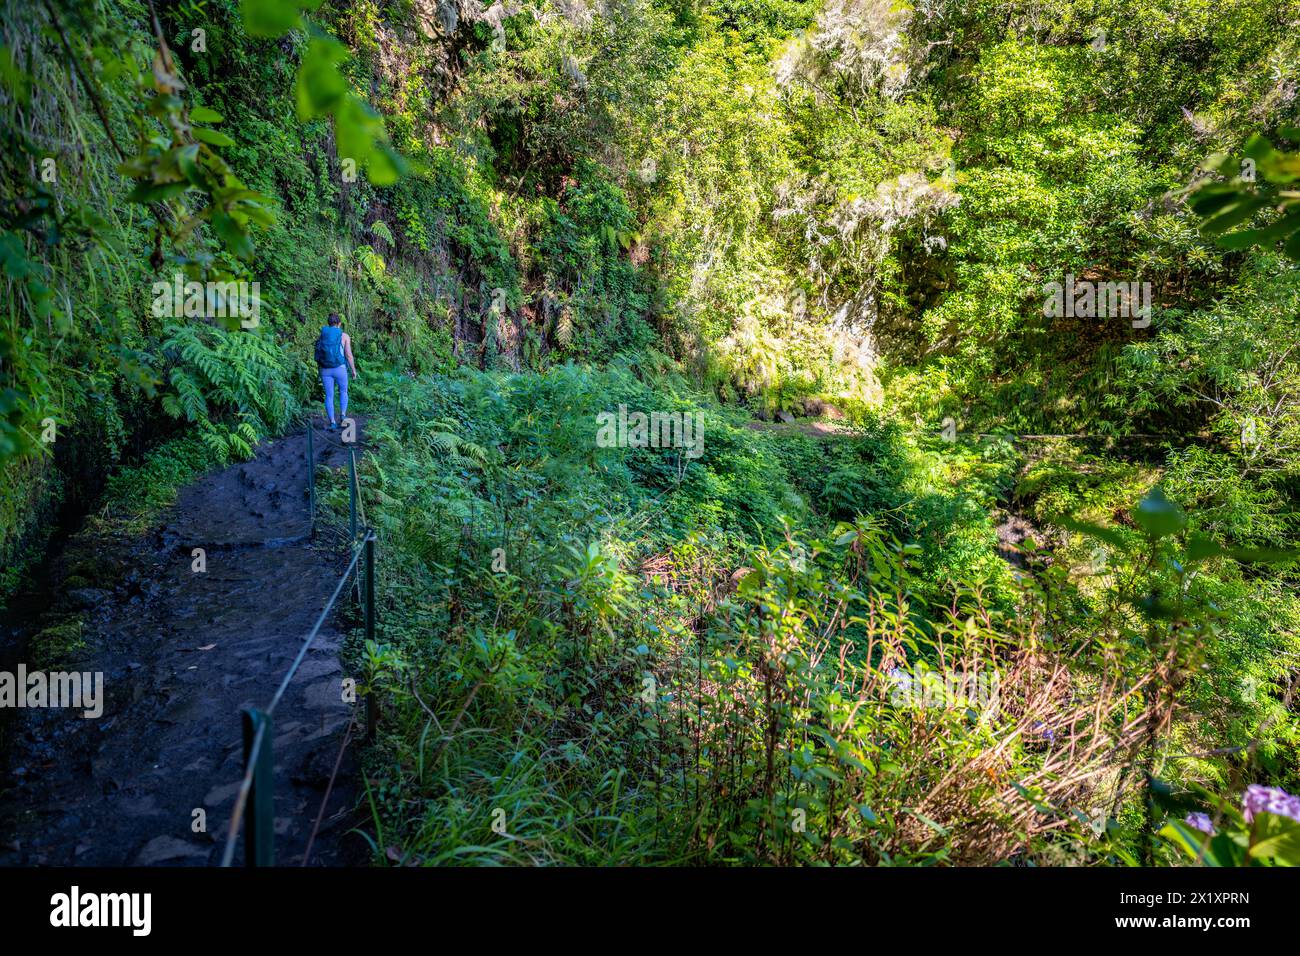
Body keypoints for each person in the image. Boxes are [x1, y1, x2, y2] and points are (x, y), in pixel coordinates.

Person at [314, 313, 357, 431]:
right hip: (340, 368)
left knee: (329, 396)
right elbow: (348, 355)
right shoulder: (344, 336)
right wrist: (353, 370)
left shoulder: (323, 336)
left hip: (325, 369)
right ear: (339, 323)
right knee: (343, 391)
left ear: (328, 323)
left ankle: (332, 422)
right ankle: (343, 415)